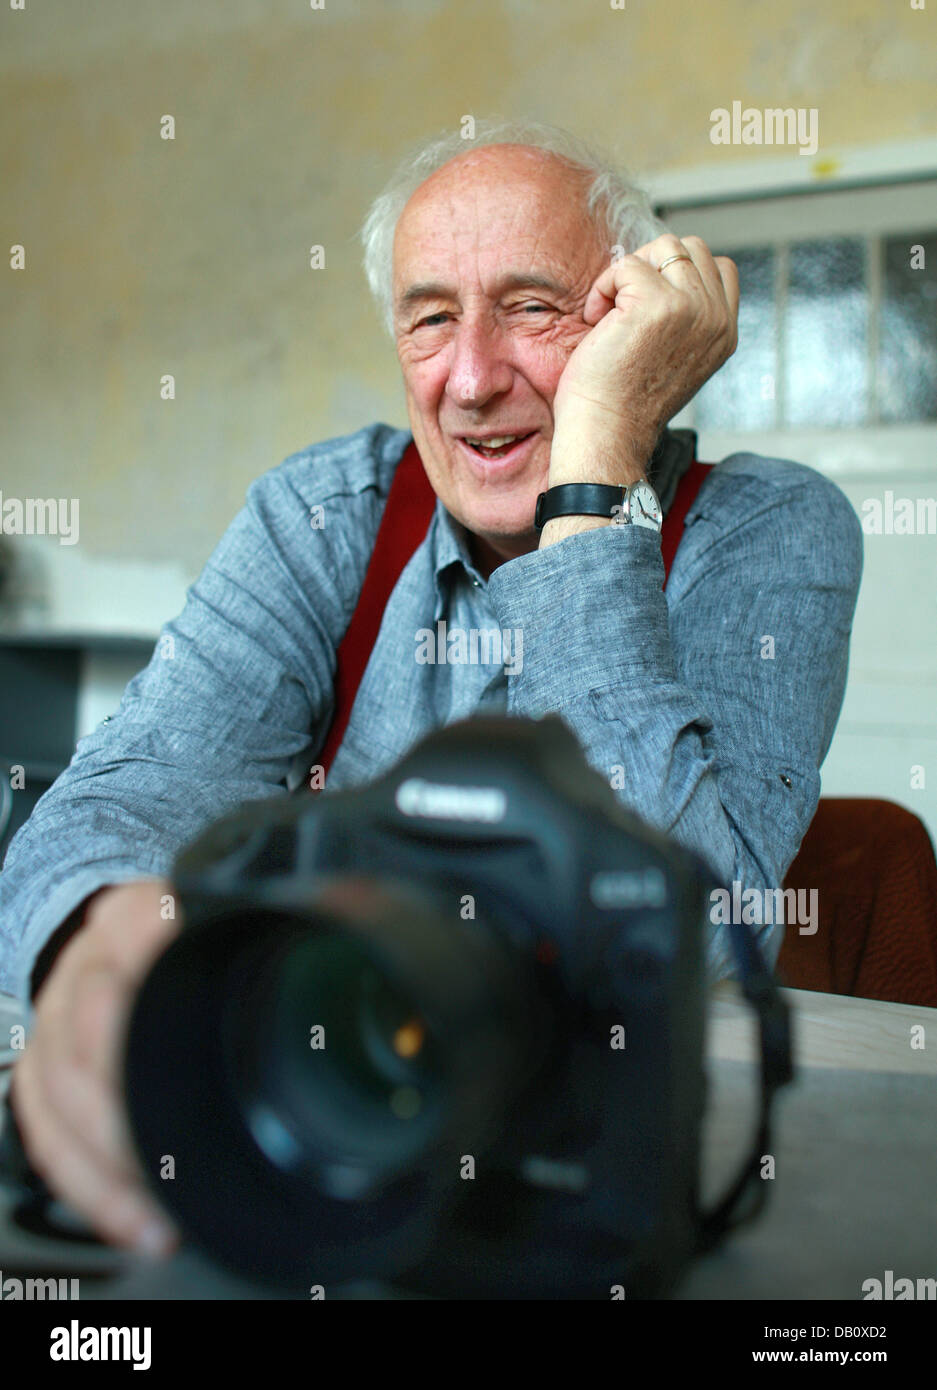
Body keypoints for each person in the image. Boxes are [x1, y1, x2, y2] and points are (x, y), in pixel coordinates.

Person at [0, 120, 862, 1259]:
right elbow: (137, 782)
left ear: (635, 327)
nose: (470, 379)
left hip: (573, 1153)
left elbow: (696, 923)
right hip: (331, 1109)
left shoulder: (766, 528)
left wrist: (592, 470)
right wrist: (103, 942)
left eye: (533, 308)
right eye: (431, 317)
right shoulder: (322, 514)